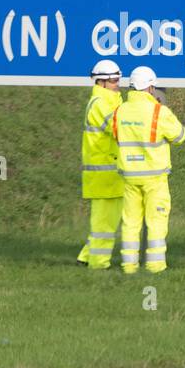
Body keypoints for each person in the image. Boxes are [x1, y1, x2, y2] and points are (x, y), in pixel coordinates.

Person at [106, 66, 185, 273]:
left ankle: (128, 266)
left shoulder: (119, 111)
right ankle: (155, 265)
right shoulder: (159, 112)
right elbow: (180, 136)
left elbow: (112, 132)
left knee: (130, 223)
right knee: (156, 222)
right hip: (155, 177)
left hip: (129, 177)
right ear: (151, 88)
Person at [78, 59, 124, 269]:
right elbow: (119, 129)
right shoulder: (100, 104)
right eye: (114, 80)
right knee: (104, 223)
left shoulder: (112, 101)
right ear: (101, 82)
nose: (117, 84)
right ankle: (98, 262)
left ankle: (87, 256)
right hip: (103, 174)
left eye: (118, 79)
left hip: (110, 173)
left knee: (106, 222)